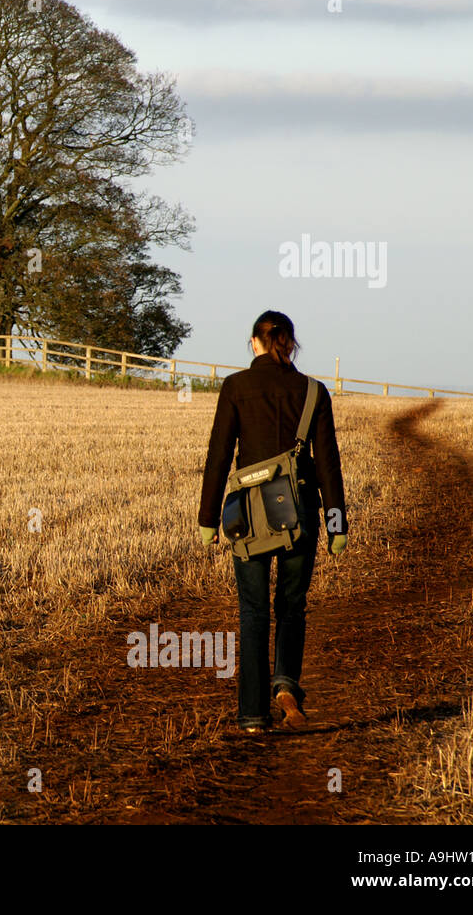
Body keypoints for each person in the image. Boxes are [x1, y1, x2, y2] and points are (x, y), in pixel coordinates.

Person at [198, 310, 348, 734]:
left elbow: (219, 456)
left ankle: (252, 715)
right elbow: (329, 466)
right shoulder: (314, 392)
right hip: (299, 511)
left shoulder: (235, 387)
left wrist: (208, 518)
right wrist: (337, 523)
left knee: (252, 611)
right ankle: (285, 684)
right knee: (292, 605)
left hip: (250, 516)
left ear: (255, 342)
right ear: (290, 344)